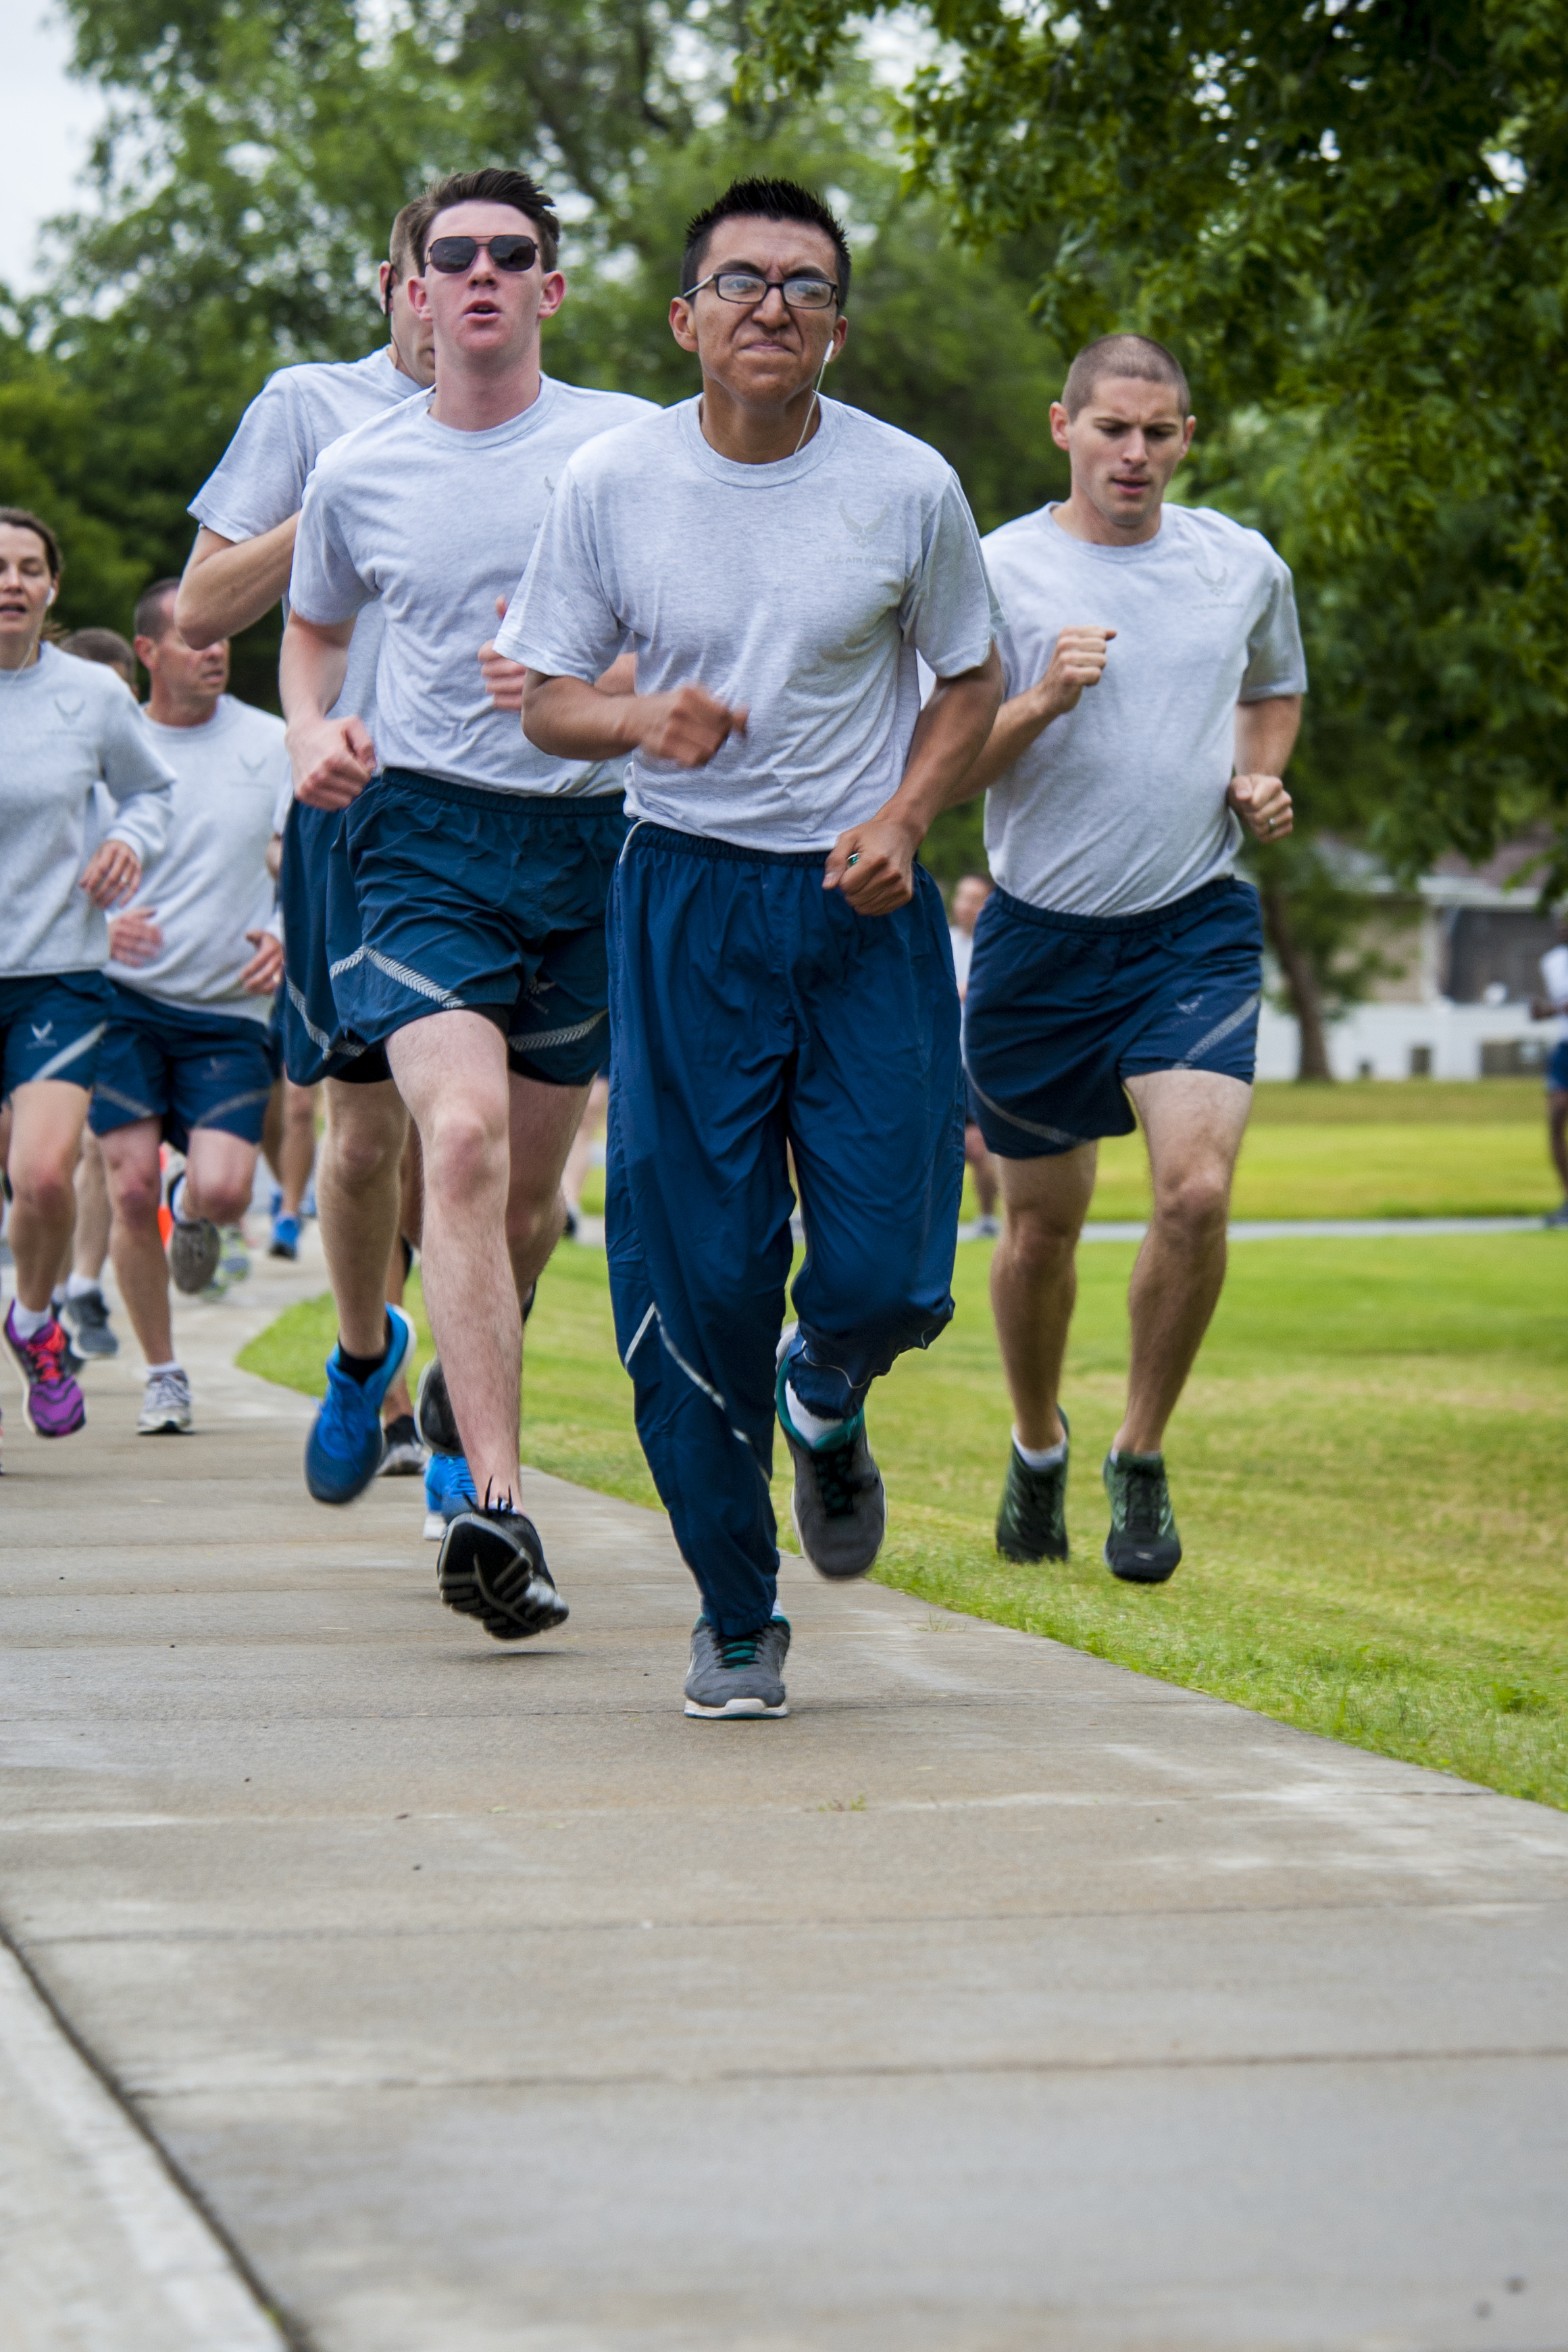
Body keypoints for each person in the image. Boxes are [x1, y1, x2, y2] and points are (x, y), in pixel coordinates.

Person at [507, 176, 1003, 1719]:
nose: (768, 304)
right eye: (737, 281)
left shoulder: (906, 486)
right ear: (683, 318)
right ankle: (734, 1609)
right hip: (685, 903)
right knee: (695, 1277)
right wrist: (636, 715)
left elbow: (970, 682)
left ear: (835, 326)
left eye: (799, 283)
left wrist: (911, 813)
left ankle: (827, 1384)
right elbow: (539, 696)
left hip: (862, 904)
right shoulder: (611, 480)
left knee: (884, 1267)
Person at [283, 165, 655, 1629]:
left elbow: (688, 632)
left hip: (588, 840)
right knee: (458, 1138)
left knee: (529, 1207)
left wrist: (599, 691)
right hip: (421, 835)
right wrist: (313, 731)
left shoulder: (631, 449)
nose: (484, 273)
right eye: (457, 256)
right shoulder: (357, 470)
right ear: (414, 293)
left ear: (549, 290)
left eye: (514, 254)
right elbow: (311, 637)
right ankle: (494, 1510)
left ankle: (452, 1372)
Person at [957, 333, 1305, 1582]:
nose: (1136, 454)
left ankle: (1140, 1453)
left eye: (1159, 433)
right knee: (1039, 1231)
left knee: (1195, 1194)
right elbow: (944, 766)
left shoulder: (1237, 565)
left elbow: (1274, 690)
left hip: (1190, 926)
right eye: (1114, 429)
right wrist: (1040, 700)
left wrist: (1261, 773)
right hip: (1040, 938)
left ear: (1187, 441)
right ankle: (1038, 1443)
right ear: (1064, 427)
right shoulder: (998, 569)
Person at [176, 195, 438, 1500]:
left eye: (501, 262)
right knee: (366, 1136)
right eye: (433, 267)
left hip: (517, 811)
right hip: (351, 808)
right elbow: (204, 602)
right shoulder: (310, 408)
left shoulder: (574, 432)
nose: (459, 291)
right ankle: (367, 1366)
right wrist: (336, 498)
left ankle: (452, 1395)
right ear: (385, 281)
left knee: (494, 1152)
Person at [88, 581, 285, 1429]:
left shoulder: (273, 742)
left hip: (228, 1010)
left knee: (228, 1190)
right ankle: (163, 1372)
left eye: (223, 636)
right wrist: (99, 928)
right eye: (193, 636)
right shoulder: (106, 747)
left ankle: (197, 1202)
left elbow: (305, 862)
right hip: (123, 1003)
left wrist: (286, 930)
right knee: (128, 1191)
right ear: (147, 654)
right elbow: (52, 864)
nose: (214, 648)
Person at [0, 510, 173, 1454]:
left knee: (41, 1178)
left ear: (53, 588)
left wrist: (123, 842)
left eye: (30, 568)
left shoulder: (91, 698)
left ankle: (33, 1321)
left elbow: (151, 794)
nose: (12, 582)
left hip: (58, 970)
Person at [52, 626, 140, 1355]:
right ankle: (48, 1285)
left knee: (92, 1142)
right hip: (40, 978)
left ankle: (79, 1284)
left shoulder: (146, 785)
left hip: (123, 991)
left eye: (129, 695)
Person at [949, 872, 1001, 1237]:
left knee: (978, 1149)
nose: (965, 905)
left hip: (977, 1062)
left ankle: (986, 1217)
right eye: (962, 896)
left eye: (974, 899)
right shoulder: (943, 941)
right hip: (941, 1060)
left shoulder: (995, 948)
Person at [1530, 911, 1568, 1226]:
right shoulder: (1552, 962)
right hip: (1564, 1048)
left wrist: (1552, 1007)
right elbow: (1555, 1008)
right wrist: (1540, 1010)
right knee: (1556, 1119)